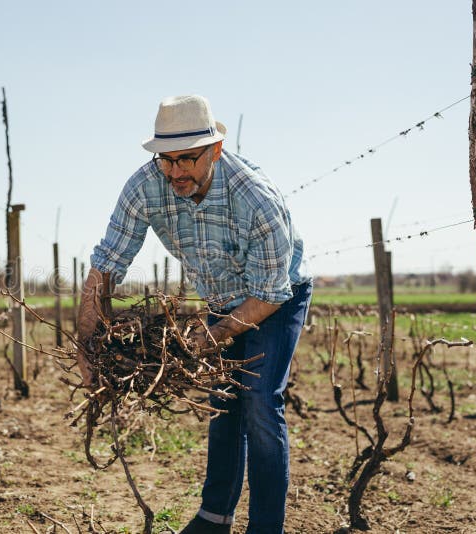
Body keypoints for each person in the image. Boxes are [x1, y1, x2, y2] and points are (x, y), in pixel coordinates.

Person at [76, 95, 312, 534]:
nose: (175, 172)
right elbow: (105, 266)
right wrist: (88, 347)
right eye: (167, 160)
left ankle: (265, 528)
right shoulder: (146, 186)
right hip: (223, 297)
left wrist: (206, 339)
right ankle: (213, 519)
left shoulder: (255, 199)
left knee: (260, 402)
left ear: (215, 150)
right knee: (224, 400)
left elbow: (268, 295)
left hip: (278, 297)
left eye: (187, 159)